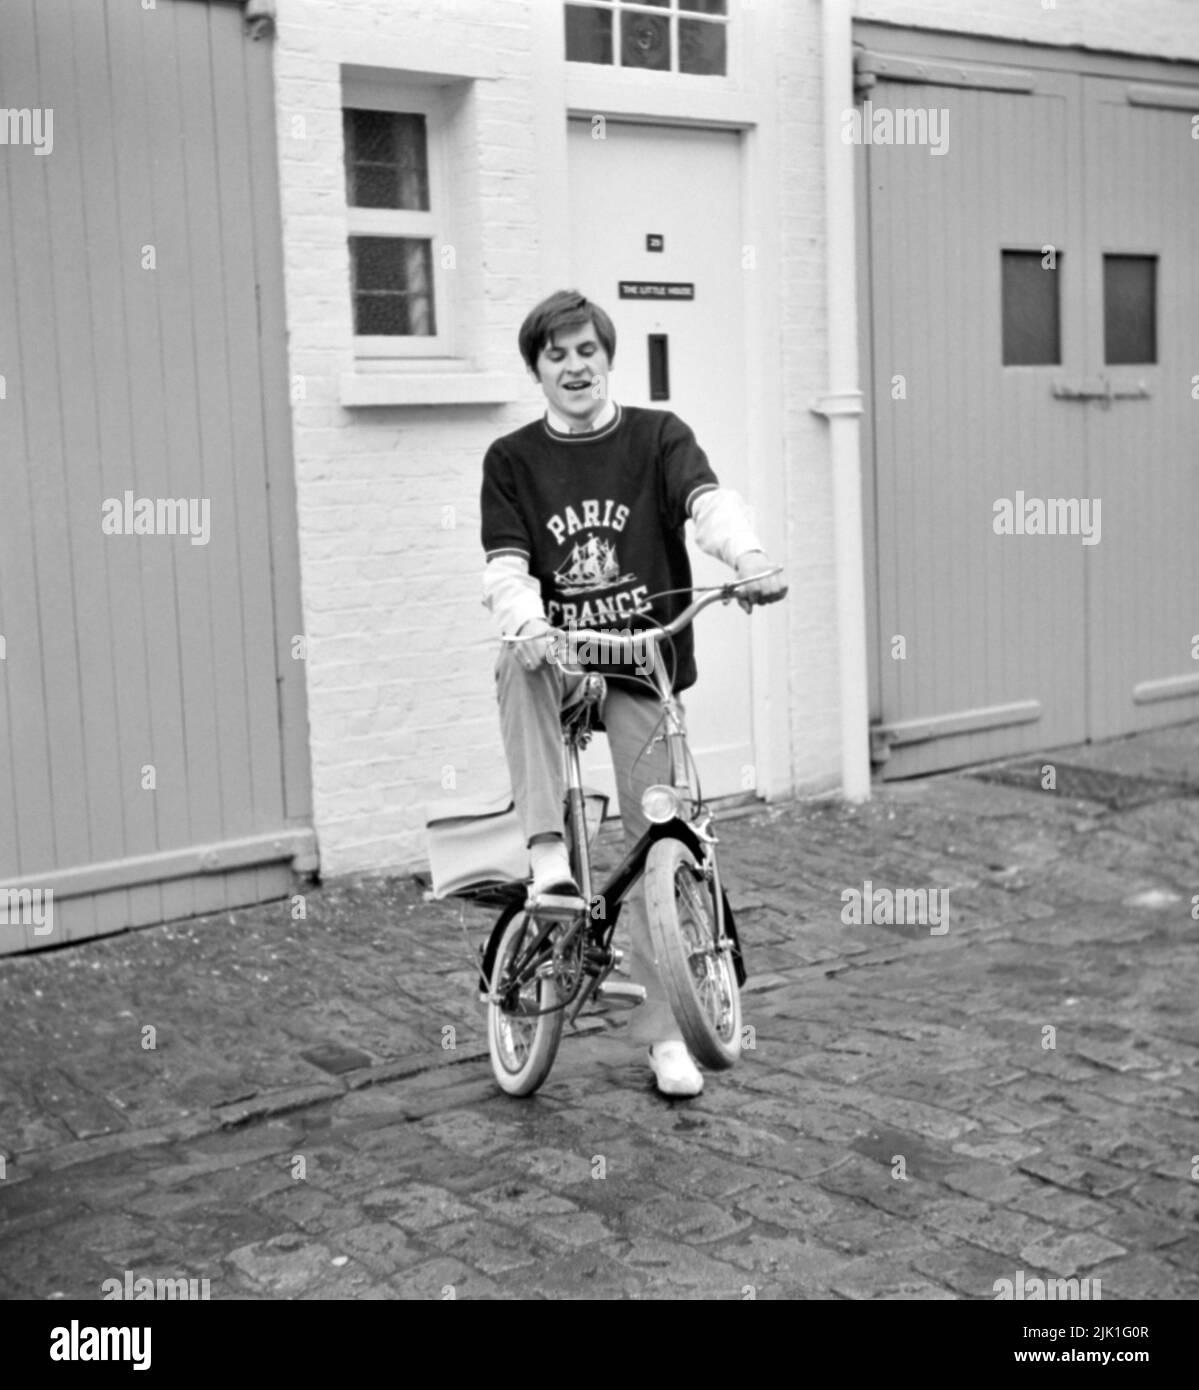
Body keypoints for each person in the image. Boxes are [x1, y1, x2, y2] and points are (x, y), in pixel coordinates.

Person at [480, 290, 786, 1097]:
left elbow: (705, 504)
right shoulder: (512, 460)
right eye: (556, 356)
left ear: (605, 357)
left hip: (640, 662)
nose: (574, 367)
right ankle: (548, 857)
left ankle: (665, 1035)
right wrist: (530, 622)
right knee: (514, 656)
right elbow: (506, 570)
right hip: (563, 659)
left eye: (586, 351)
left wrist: (746, 558)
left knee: (661, 832)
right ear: (536, 370)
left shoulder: (657, 436)